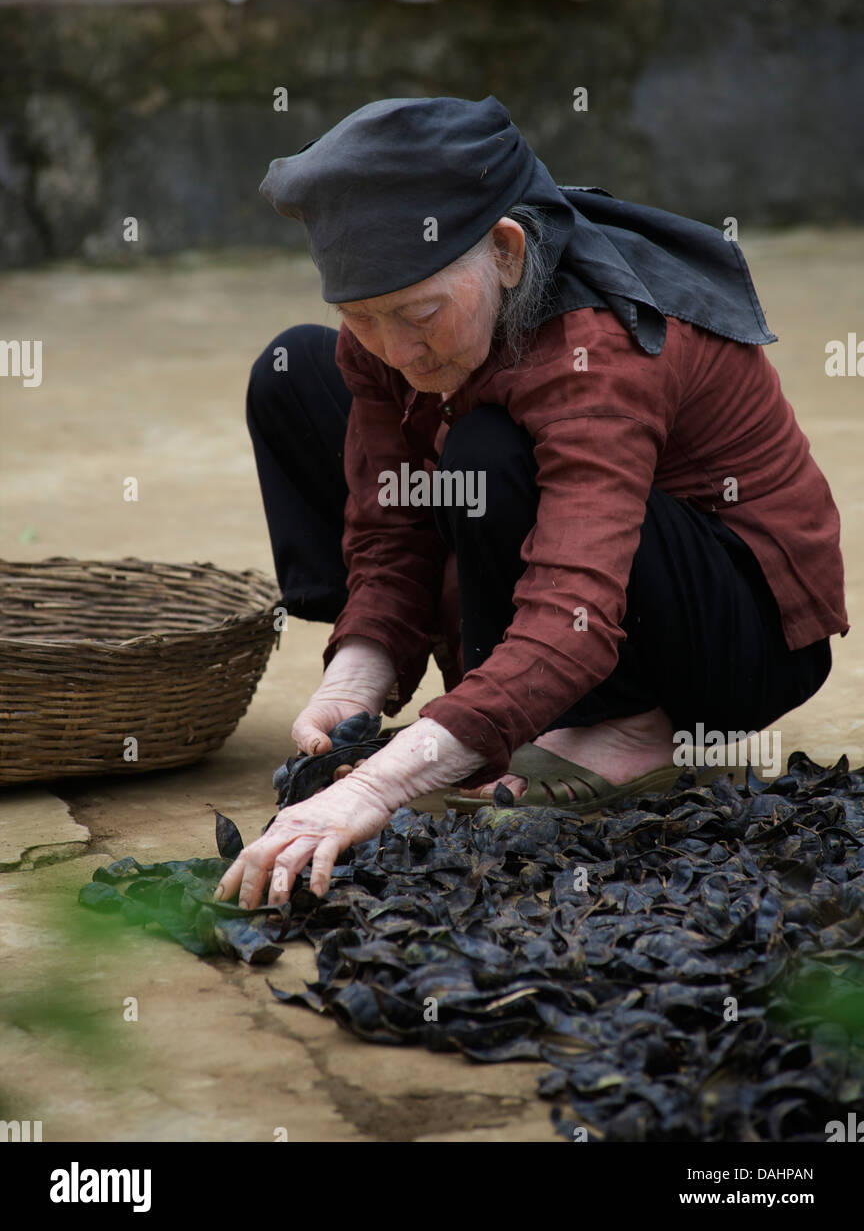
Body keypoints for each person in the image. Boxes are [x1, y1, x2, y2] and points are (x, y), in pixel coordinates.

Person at [215, 95, 847, 910]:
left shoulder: (598, 348)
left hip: (729, 635)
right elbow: (393, 522)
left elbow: (573, 600)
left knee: (484, 449)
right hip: (567, 557)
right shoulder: (385, 333)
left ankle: (628, 726)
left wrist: (372, 791)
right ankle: (512, 709)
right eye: (364, 318)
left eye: (419, 315)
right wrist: (359, 673)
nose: (398, 350)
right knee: (299, 368)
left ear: (507, 252)